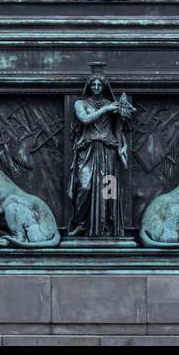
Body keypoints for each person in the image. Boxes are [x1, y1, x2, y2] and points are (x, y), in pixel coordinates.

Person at [69, 70, 135, 237]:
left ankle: (107, 225)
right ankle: (80, 223)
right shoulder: (80, 103)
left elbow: (118, 130)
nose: (96, 87)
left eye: (100, 84)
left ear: (104, 87)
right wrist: (106, 109)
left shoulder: (112, 105)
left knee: (108, 189)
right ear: (89, 86)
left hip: (108, 150)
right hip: (88, 149)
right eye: (93, 84)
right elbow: (84, 119)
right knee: (84, 187)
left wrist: (122, 146)